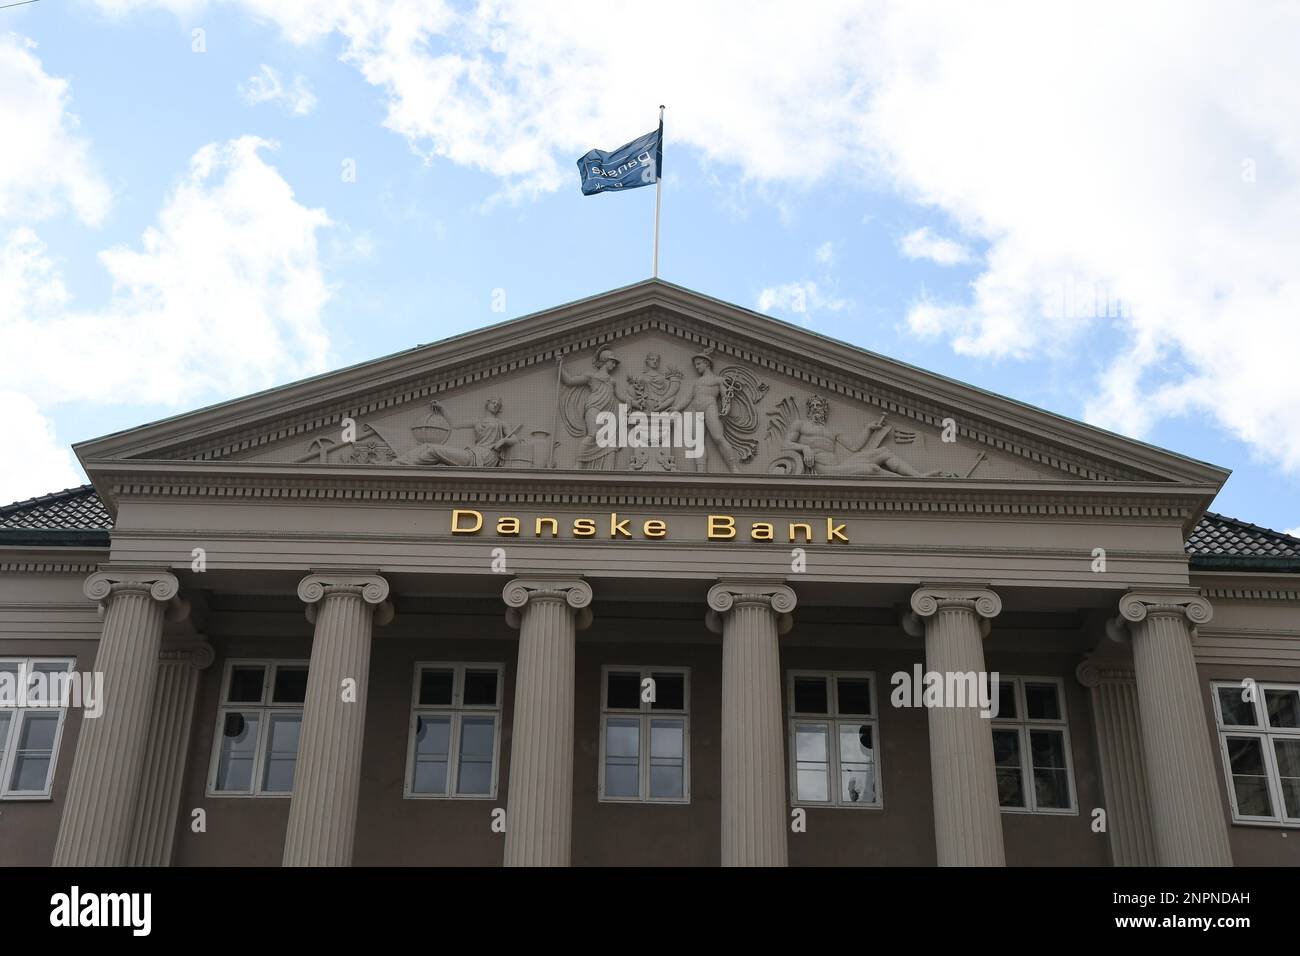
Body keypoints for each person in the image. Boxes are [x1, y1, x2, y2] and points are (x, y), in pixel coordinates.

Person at [782, 395, 949, 477]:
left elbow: (854, 446)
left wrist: (869, 429)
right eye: (813, 406)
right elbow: (786, 444)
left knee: (884, 452)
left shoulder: (832, 430)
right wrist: (804, 448)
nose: (816, 408)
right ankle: (907, 484)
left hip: (839, 466)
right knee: (872, 469)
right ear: (809, 409)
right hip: (824, 469)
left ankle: (918, 477)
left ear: (824, 410)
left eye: (819, 406)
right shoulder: (800, 425)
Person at [396, 397, 518, 467]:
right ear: (488, 403)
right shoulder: (478, 421)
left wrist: (504, 440)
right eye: (493, 402)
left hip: (484, 457)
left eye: (498, 404)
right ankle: (397, 463)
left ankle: (399, 466)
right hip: (474, 453)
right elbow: (455, 425)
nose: (495, 405)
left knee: (433, 449)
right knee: (427, 446)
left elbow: (515, 439)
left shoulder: (501, 422)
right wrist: (442, 408)